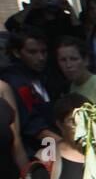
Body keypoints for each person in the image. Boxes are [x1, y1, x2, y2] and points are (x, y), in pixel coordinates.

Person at [2, 28, 60, 158]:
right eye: (32, 52)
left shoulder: (40, 76)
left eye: (44, 52)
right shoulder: (16, 81)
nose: (40, 58)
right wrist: (63, 144)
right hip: (35, 152)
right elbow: (34, 127)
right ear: (17, 53)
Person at [55, 37, 96, 105]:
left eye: (74, 59)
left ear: (86, 60)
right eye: (63, 60)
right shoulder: (66, 89)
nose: (68, 65)